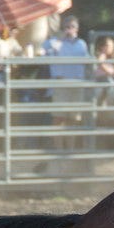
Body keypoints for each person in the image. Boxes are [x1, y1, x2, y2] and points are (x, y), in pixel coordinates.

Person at [43, 15, 90, 148]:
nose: (70, 30)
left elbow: (87, 62)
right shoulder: (55, 42)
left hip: (76, 84)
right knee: (58, 117)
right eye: (67, 27)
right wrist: (59, 38)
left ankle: (70, 149)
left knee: (73, 119)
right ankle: (59, 148)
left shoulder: (81, 44)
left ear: (77, 29)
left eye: (72, 27)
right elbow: (42, 49)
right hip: (61, 84)